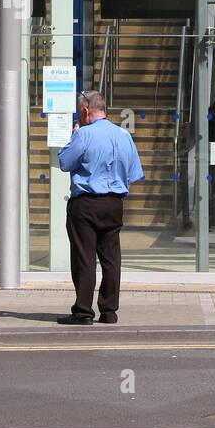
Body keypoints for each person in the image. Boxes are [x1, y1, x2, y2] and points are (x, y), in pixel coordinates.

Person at [55, 90, 143, 326]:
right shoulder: (123, 135)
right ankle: (109, 310)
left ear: (85, 111)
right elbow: (134, 173)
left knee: (84, 258)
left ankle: (83, 311)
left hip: (86, 202)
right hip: (114, 203)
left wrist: (73, 135)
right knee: (111, 258)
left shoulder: (83, 135)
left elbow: (64, 162)